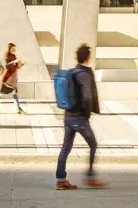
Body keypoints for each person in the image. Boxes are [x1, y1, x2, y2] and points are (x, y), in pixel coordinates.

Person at [55, 44, 106, 191]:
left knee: (66, 147)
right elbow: (88, 96)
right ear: (88, 58)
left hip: (68, 116)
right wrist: (87, 114)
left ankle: (60, 180)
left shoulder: (71, 72)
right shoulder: (84, 74)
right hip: (79, 118)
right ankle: (90, 177)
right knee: (93, 144)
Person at [0, 42, 24, 114]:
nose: (14, 50)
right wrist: (14, 62)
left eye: (15, 49)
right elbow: (6, 66)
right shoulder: (5, 57)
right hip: (6, 79)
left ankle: (18, 108)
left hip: (12, 79)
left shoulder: (14, 56)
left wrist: (20, 64)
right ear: (9, 49)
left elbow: (16, 67)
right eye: (13, 49)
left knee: (14, 93)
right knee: (0, 93)